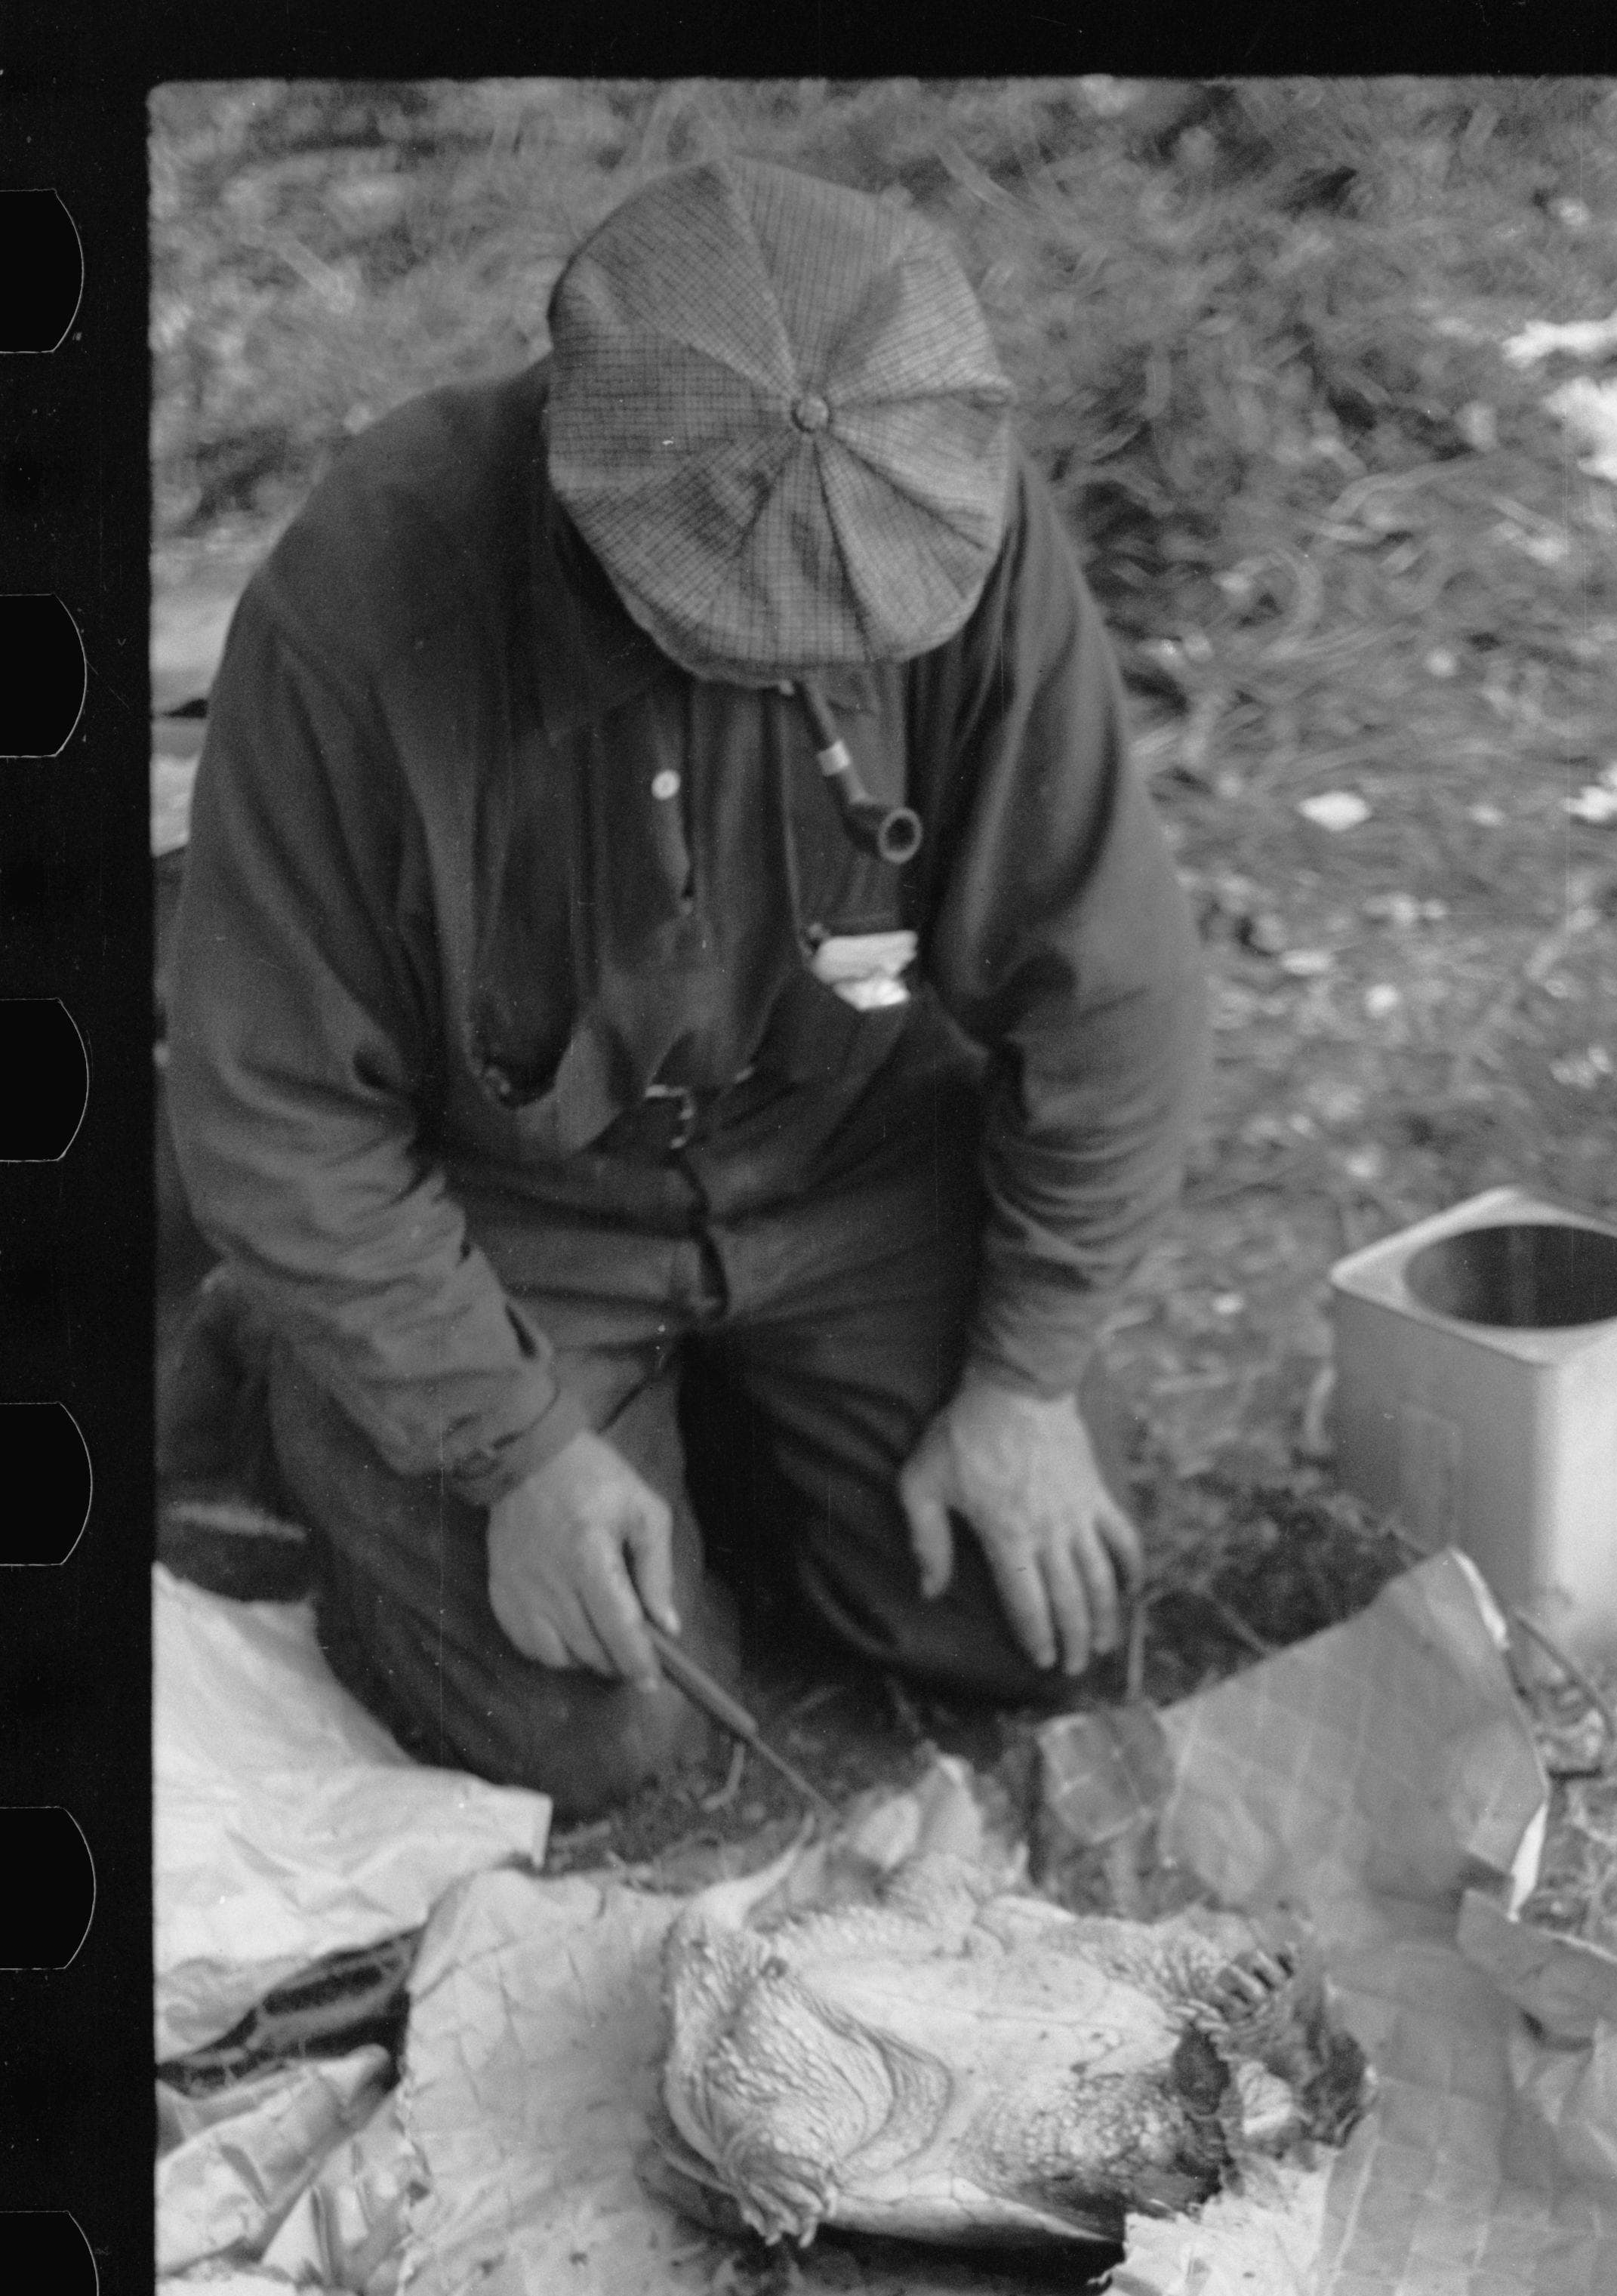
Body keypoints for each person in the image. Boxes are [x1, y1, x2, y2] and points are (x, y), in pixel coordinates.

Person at [165, 155, 1209, 1818]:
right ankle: (315, 1398)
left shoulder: (957, 500)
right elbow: (279, 1114)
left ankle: (734, 1437)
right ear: (582, 495)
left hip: (849, 1160)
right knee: (602, 1732)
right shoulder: (365, 599)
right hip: (512, 1213)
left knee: (1041, 1622)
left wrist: (1024, 1380)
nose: (802, 664)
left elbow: (1112, 995)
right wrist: (511, 1452)